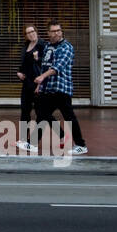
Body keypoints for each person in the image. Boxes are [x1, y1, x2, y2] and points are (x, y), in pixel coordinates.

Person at [33, 22, 87, 155]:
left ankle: (81, 145)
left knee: (68, 117)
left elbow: (57, 67)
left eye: (59, 30)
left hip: (62, 88)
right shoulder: (48, 47)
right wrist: (40, 84)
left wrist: (41, 77)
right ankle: (32, 143)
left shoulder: (66, 47)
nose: (57, 33)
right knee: (42, 114)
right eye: (54, 31)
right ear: (48, 33)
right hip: (49, 88)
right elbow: (45, 66)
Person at [15, 24, 44, 153]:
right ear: (25, 35)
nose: (31, 34)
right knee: (25, 111)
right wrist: (19, 73)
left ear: (36, 31)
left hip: (38, 84)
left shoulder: (43, 45)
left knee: (41, 113)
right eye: (28, 33)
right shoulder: (25, 46)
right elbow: (24, 64)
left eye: (32, 31)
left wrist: (38, 58)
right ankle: (22, 139)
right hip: (27, 83)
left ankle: (35, 142)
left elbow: (46, 65)